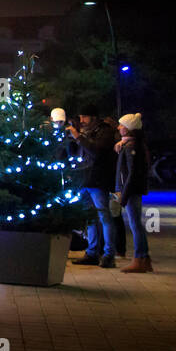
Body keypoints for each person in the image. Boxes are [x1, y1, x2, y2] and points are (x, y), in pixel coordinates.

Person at [68, 103, 118, 267]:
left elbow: (96, 152)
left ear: (94, 117)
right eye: (80, 117)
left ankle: (109, 254)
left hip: (98, 180)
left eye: (84, 117)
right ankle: (92, 252)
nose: (81, 120)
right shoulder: (85, 132)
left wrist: (79, 137)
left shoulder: (105, 131)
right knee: (90, 218)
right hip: (84, 179)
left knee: (104, 216)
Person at [115, 113, 152, 273]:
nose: (118, 127)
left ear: (129, 128)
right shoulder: (130, 144)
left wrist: (124, 194)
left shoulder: (132, 147)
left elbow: (132, 173)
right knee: (136, 224)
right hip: (132, 190)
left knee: (135, 224)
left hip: (131, 191)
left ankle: (140, 257)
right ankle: (143, 259)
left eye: (121, 125)